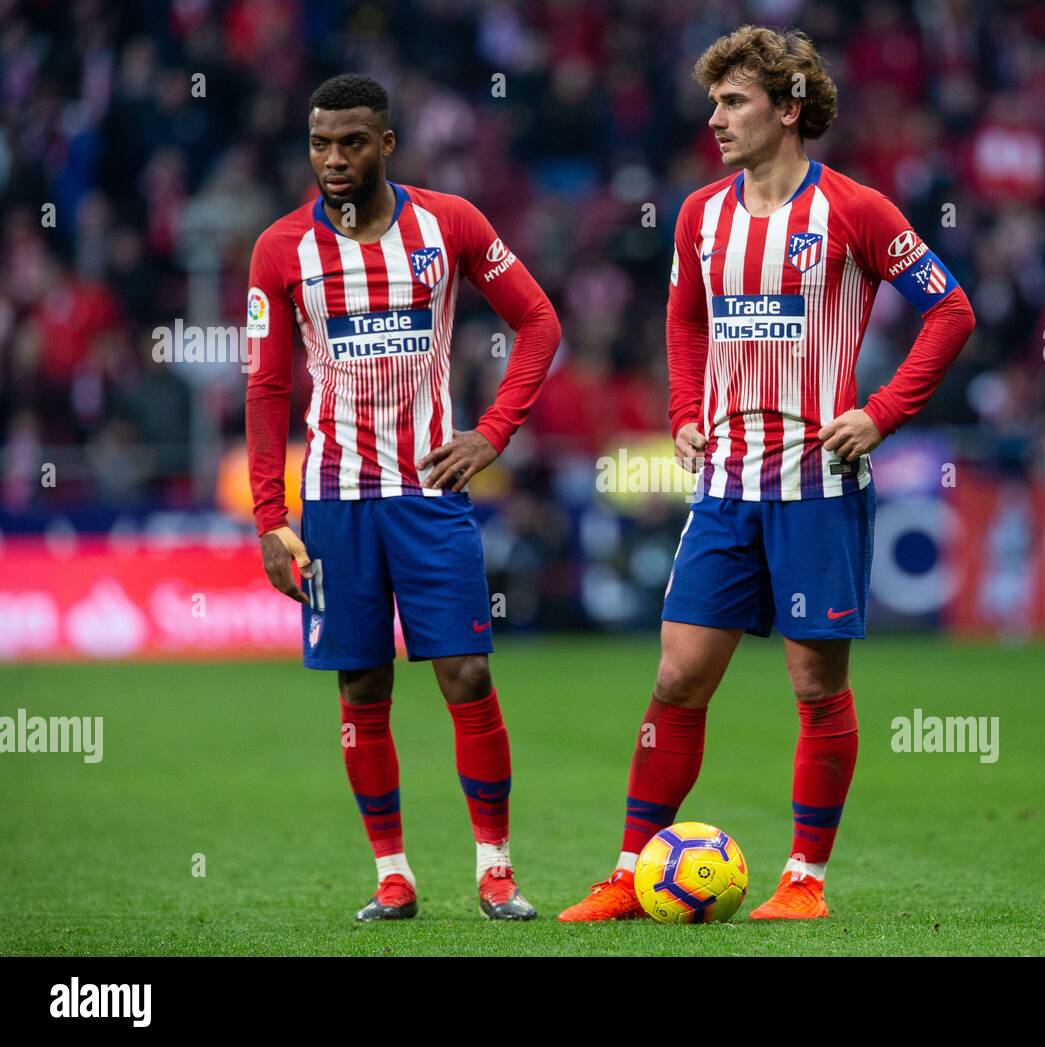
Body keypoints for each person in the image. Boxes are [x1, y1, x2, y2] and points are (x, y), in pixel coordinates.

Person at [558, 26, 975, 922]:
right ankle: (631, 874)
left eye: (734, 101)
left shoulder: (857, 211)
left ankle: (805, 882)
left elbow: (951, 311)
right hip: (726, 486)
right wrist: (682, 412)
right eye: (713, 102)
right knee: (676, 676)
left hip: (818, 484)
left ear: (788, 110)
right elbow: (682, 321)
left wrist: (880, 412)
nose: (715, 119)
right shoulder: (699, 216)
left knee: (817, 687)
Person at [244, 74, 561, 921]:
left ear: (386, 144)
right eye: (320, 144)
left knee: (464, 673)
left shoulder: (450, 224)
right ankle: (393, 873)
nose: (334, 159)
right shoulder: (280, 250)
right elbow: (267, 388)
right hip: (337, 504)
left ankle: (495, 869)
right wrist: (271, 518)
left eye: (351, 142)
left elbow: (539, 322)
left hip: (429, 493)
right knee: (360, 687)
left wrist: (492, 432)